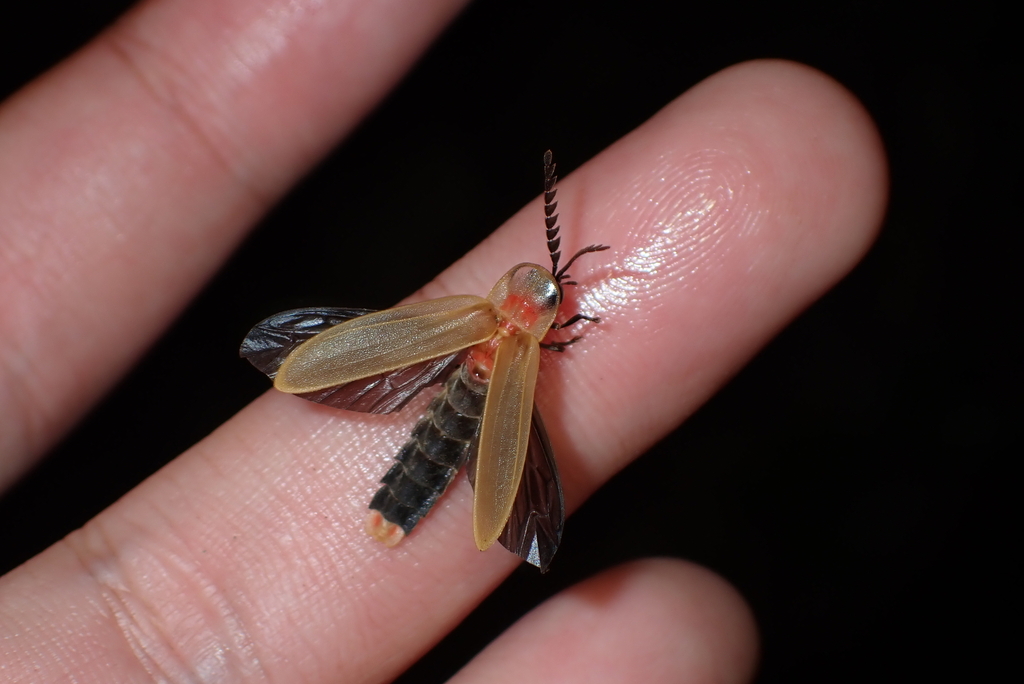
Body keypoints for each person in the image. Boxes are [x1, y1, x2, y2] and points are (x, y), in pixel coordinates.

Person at [0, 0, 886, 680]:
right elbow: (361, 345)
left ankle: (417, 501)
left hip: (463, 385)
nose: (541, 291)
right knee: (359, 370)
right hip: (455, 373)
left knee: (498, 470)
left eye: (545, 293)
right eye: (542, 281)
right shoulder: (518, 334)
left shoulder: (514, 336)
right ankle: (419, 498)